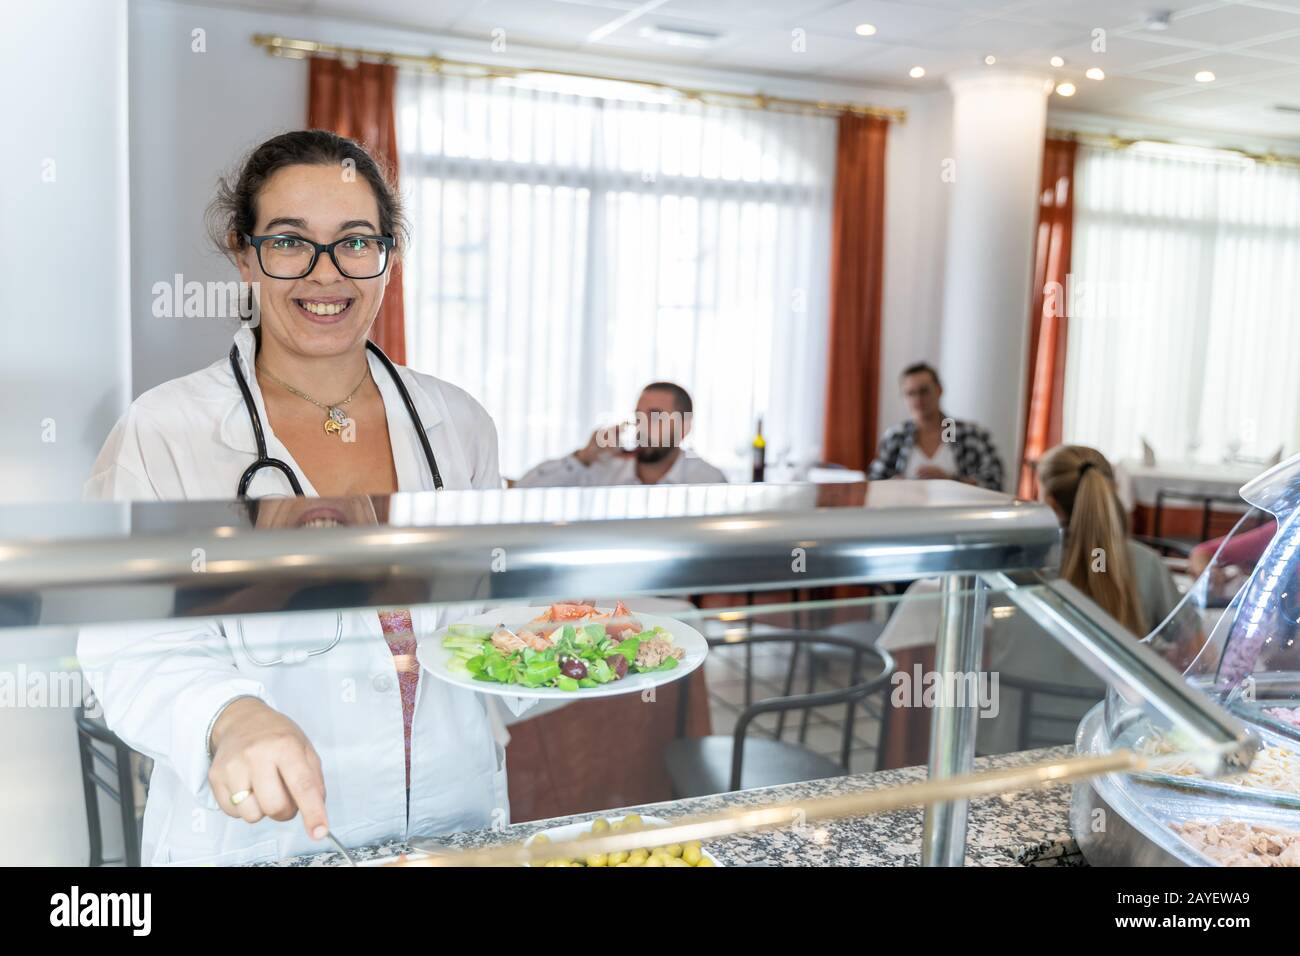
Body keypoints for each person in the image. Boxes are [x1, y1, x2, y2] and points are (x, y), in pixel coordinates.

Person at [77, 130, 521, 865]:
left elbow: (494, 621)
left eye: (355, 242)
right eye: (289, 242)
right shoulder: (165, 431)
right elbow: (125, 642)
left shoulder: (459, 423)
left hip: (452, 823)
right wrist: (231, 715)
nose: (327, 275)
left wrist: (585, 636)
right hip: (260, 840)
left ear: (387, 256)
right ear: (244, 253)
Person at [515, 382, 726, 487]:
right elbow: (525, 489)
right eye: (638, 416)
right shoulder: (606, 469)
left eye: (654, 417)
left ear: (684, 428)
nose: (641, 426)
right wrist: (584, 457)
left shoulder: (708, 482)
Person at [867, 362, 1004, 491]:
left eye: (924, 391)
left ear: (939, 390)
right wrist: (893, 486)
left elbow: (995, 481)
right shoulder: (897, 436)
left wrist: (951, 481)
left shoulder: (967, 434)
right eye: (911, 393)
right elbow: (874, 481)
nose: (918, 399)